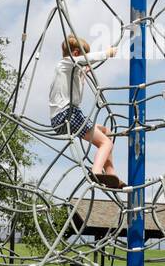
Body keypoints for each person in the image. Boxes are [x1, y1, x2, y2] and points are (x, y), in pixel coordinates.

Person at [49, 34, 122, 188]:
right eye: (83, 56)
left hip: (63, 117)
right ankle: (96, 171)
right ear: (75, 54)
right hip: (67, 114)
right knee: (106, 143)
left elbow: (76, 83)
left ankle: (110, 172)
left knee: (105, 131)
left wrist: (83, 73)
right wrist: (106, 53)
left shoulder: (70, 70)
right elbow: (85, 60)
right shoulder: (65, 63)